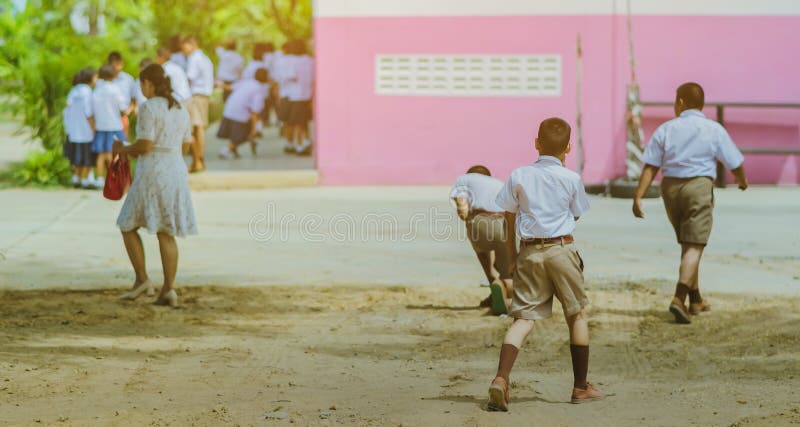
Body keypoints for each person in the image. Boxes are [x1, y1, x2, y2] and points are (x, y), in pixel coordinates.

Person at [487, 117, 603, 411]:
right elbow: (575, 214)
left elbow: (508, 217)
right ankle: (580, 387)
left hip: (529, 252)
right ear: (568, 148)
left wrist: (513, 257)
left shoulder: (519, 175)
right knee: (576, 315)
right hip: (561, 249)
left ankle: (501, 378)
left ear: (536, 143)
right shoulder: (571, 178)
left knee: (523, 319)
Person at [633, 82, 748, 324]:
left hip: (671, 189)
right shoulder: (712, 129)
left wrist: (638, 196)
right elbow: (734, 161)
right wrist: (742, 180)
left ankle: (695, 299)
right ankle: (679, 298)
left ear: (681, 102)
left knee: (688, 244)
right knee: (694, 245)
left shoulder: (666, 129)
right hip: (698, 187)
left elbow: (651, 165)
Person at [113, 64, 197, 307]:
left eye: (142, 85)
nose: (142, 89)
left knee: (127, 223)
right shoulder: (180, 107)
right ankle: (169, 289)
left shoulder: (149, 107)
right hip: (175, 169)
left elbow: (146, 145)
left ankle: (142, 279)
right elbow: (185, 146)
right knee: (166, 231)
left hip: (153, 171)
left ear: (149, 83)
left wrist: (123, 149)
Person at [450, 165, 514, 315]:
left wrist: (467, 219)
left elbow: (462, 208)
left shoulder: (464, 179)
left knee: (481, 249)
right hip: (506, 224)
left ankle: (493, 282)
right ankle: (506, 290)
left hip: (481, 221)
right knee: (507, 273)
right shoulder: (499, 183)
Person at [217, 68, 270, 159]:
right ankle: (227, 150)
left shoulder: (247, 82)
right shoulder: (259, 90)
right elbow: (255, 112)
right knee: (242, 134)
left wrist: (219, 84)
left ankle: (233, 150)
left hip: (229, 109)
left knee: (234, 133)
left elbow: (230, 87)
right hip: (240, 115)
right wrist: (254, 129)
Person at [92, 64, 129, 189]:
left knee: (101, 154)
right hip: (114, 125)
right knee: (114, 154)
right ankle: (114, 178)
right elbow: (123, 109)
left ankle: (100, 179)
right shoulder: (115, 89)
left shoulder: (96, 90)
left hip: (101, 126)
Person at [181, 35, 215, 173]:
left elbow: (189, 78)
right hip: (203, 96)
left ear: (192, 44)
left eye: (184, 47)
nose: (183, 50)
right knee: (198, 128)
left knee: (196, 128)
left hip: (196, 96)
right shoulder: (204, 58)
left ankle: (198, 161)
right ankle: (198, 161)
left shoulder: (194, 58)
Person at [63, 67, 97, 189]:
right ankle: (84, 180)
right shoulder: (88, 92)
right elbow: (89, 113)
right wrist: (94, 128)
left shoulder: (73, 91)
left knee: (76, 157)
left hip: (74, 131)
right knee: (88, 158)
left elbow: (67, 110)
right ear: (90, 79)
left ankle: (75, 178)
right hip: (86, 131)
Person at [285, 40, 314, 155]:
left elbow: (292, 77)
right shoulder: (310, 60)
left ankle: (300, 145)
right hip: (308, 94)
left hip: (296, 95)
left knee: (297, 122)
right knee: (304, 121)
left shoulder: (293, 61)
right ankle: (306, 141)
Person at [271, 41, 297, 152]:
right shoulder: (299, 60)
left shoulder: (279, 61)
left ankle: (288, 143)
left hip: (285, 94)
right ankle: (299, 143)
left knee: (286, 121)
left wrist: (277, 96)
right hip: (299, 95)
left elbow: (275, 81)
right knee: (298, 122)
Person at [107, 52, 136, 137]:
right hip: (108, 118)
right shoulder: (104, 80)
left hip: (123, 117)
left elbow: (133, 100)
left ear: (122, 64)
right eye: (113, 65)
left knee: (123, 145)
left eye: (118, 64)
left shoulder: (128, 79)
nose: (116, 68)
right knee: (109, 147)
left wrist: (128, 111)